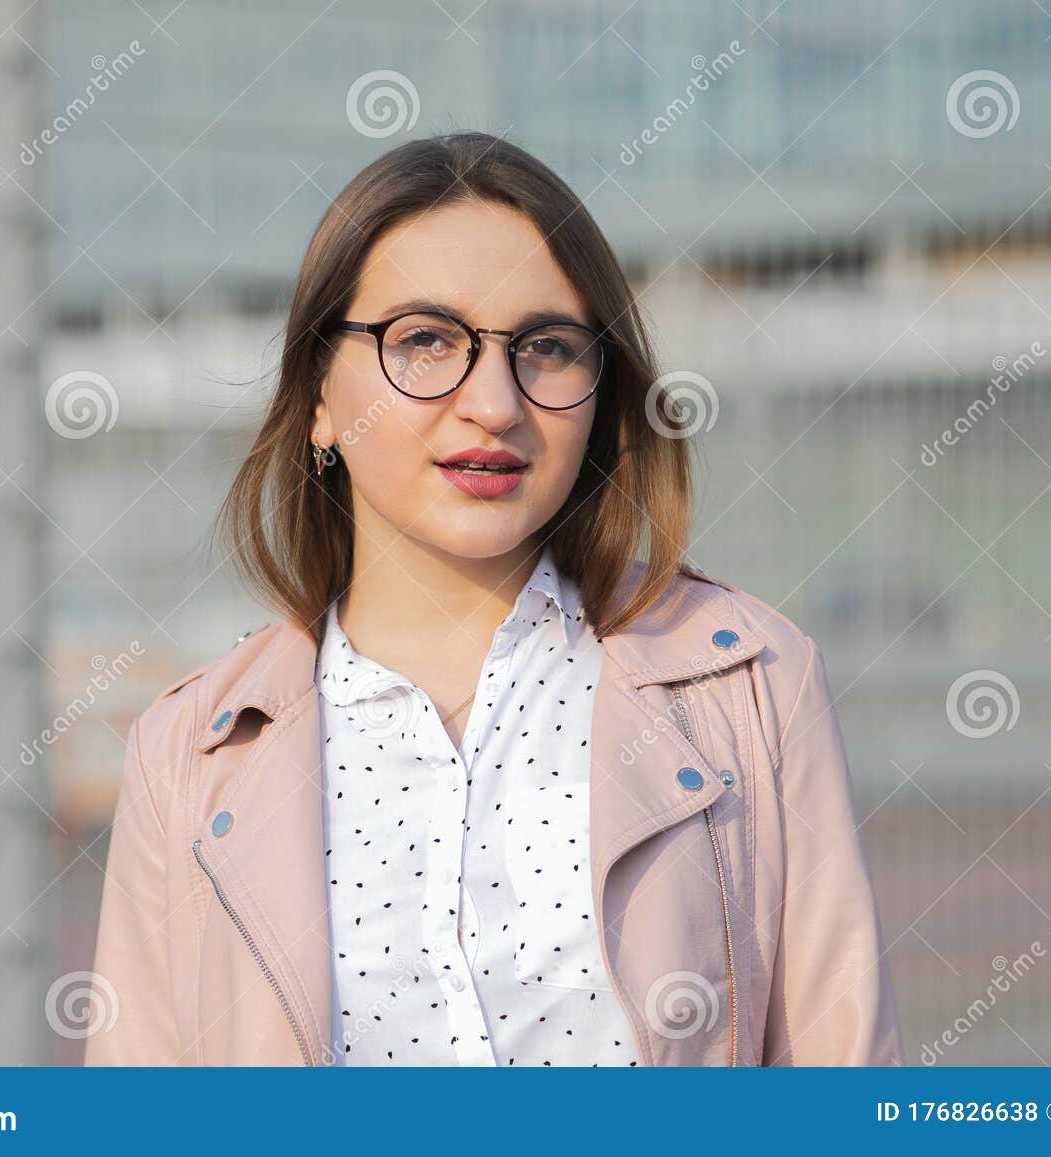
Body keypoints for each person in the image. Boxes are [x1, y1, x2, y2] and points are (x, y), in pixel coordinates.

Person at [84, 131, 901, 1067]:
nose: (495, 403)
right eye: (426, 341)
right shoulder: (189, 754)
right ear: (317, 392)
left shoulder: (748, 681)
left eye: (547, 347)